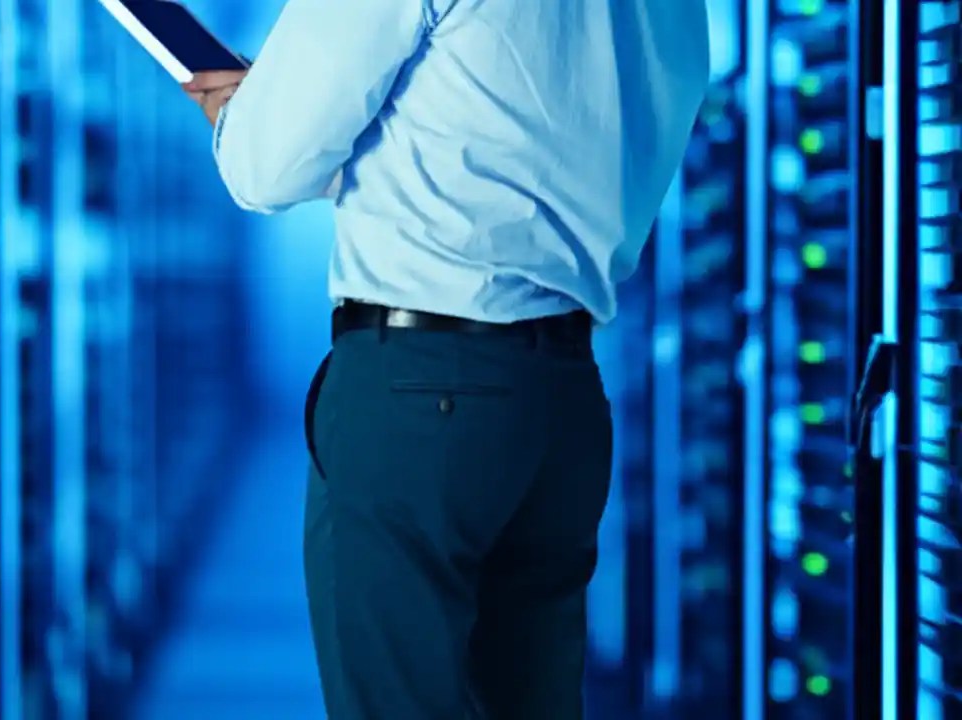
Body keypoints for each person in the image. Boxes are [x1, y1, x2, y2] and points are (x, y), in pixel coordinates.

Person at [183, 0, 710, 717]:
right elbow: (515, 150)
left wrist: (244, 119)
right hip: (562, 401)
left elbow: (267, 167)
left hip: (421, 393)